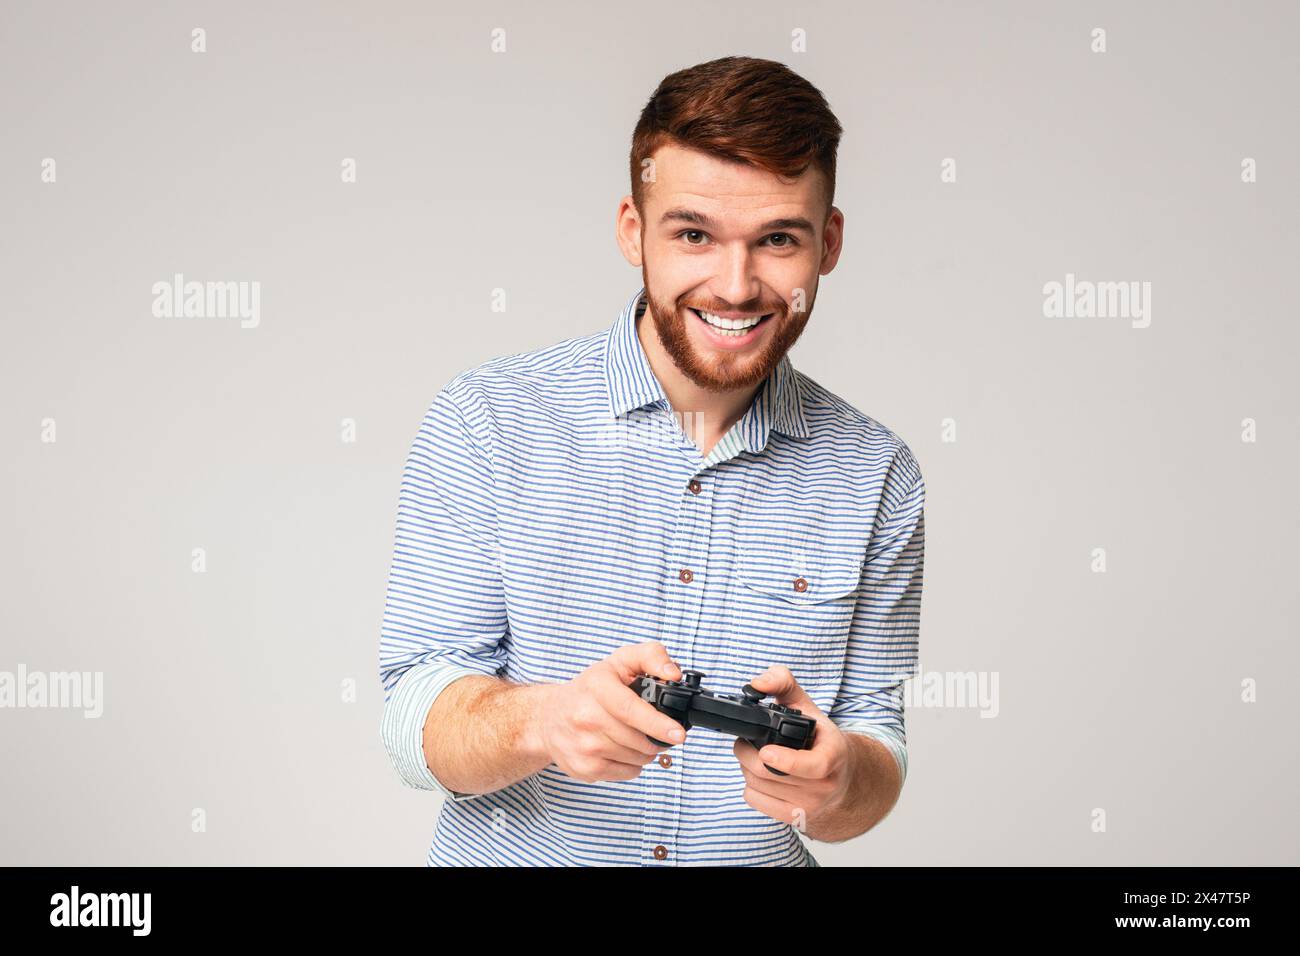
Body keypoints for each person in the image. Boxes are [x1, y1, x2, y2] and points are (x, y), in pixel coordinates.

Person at [379, 55, 925, 866]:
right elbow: (411, 722)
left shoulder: (878, 471)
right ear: (634, 229)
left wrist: (843, 782)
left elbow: (878, 741)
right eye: (694, 234)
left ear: (829, 243)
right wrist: (543, 721)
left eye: (777, 239)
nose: (736, 287)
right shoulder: (488, 420)